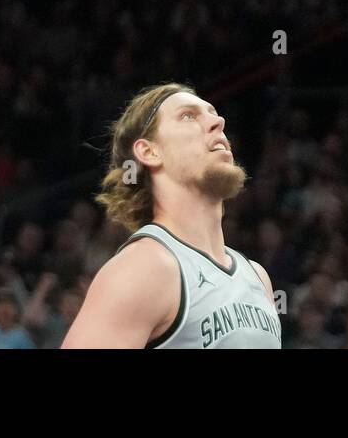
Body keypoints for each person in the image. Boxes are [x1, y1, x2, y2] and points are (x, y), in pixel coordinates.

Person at [63, 84, 281, 348]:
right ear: (149, 152)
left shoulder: (257, 277)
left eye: (213, 113)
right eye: (188, 116)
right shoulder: (145, 268)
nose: (218, 121)